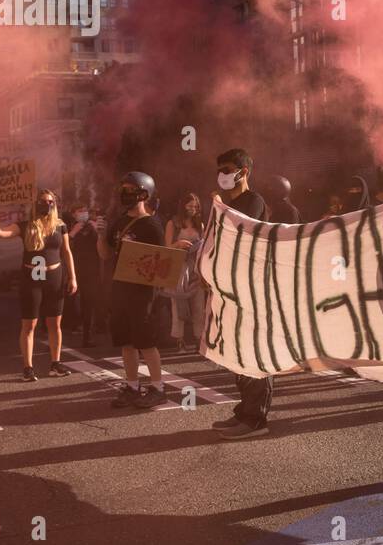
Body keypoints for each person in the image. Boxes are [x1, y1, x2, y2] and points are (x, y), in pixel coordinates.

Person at [208, 149, 277, 437]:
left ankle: (256, 419)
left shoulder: (253, 202)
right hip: (233, 288)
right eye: (219, 170)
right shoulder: (230, 204)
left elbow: (240, 237)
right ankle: (244, 410)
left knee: (253, 352)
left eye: (227, 168)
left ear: (243, 171)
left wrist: (220, 210)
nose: (222, 175)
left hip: (252, 289)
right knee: (238, 352)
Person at [97, 172, 169, 407]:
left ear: (143, 193)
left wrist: (137, 252)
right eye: (123, 188)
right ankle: (132, 386)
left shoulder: (152, 225)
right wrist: (101, 234)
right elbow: (106, 254)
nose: (123, 193)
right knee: (126, 341)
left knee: (145, 341)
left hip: (142, 292)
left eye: (129, 189)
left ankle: (158, 388)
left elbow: (161, 263)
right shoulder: (118, 221)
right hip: (119, 288)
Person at [0, 189, 76, 382]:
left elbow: (67, 252)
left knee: (55, 324)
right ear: (35, 204)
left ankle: (56, 364)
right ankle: (28, 368)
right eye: (43, 201)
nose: (47, 205)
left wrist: (73, 277)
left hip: (55, 276)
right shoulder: (26, 225)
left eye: (50, 201)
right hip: (32, 277)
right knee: (29, 324)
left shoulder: (60, 225)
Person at [165, 193, 206, 353]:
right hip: (178, 267)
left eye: (195, 207)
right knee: (177, 305)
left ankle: (198, 339)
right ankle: (179, 339)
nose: (192, 209)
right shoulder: (173, 224)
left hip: (195, 267)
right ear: (182, 206)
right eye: (189, 206)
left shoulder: (200, 225)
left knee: (198, 305)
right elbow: (167, 247)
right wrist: (178, 244)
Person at [66, 203, 103, 348]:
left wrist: (97, 231)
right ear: (74, 214)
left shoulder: (93, 227)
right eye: (80, 211)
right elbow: (61, 247)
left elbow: (102, 246)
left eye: (85, 210)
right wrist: (72, 234)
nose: (83, 213)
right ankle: (70, 326)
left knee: (89, 302)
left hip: (91, 271)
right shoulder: (68, 227)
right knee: (71, 301)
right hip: (73, 270)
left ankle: (88, 335)